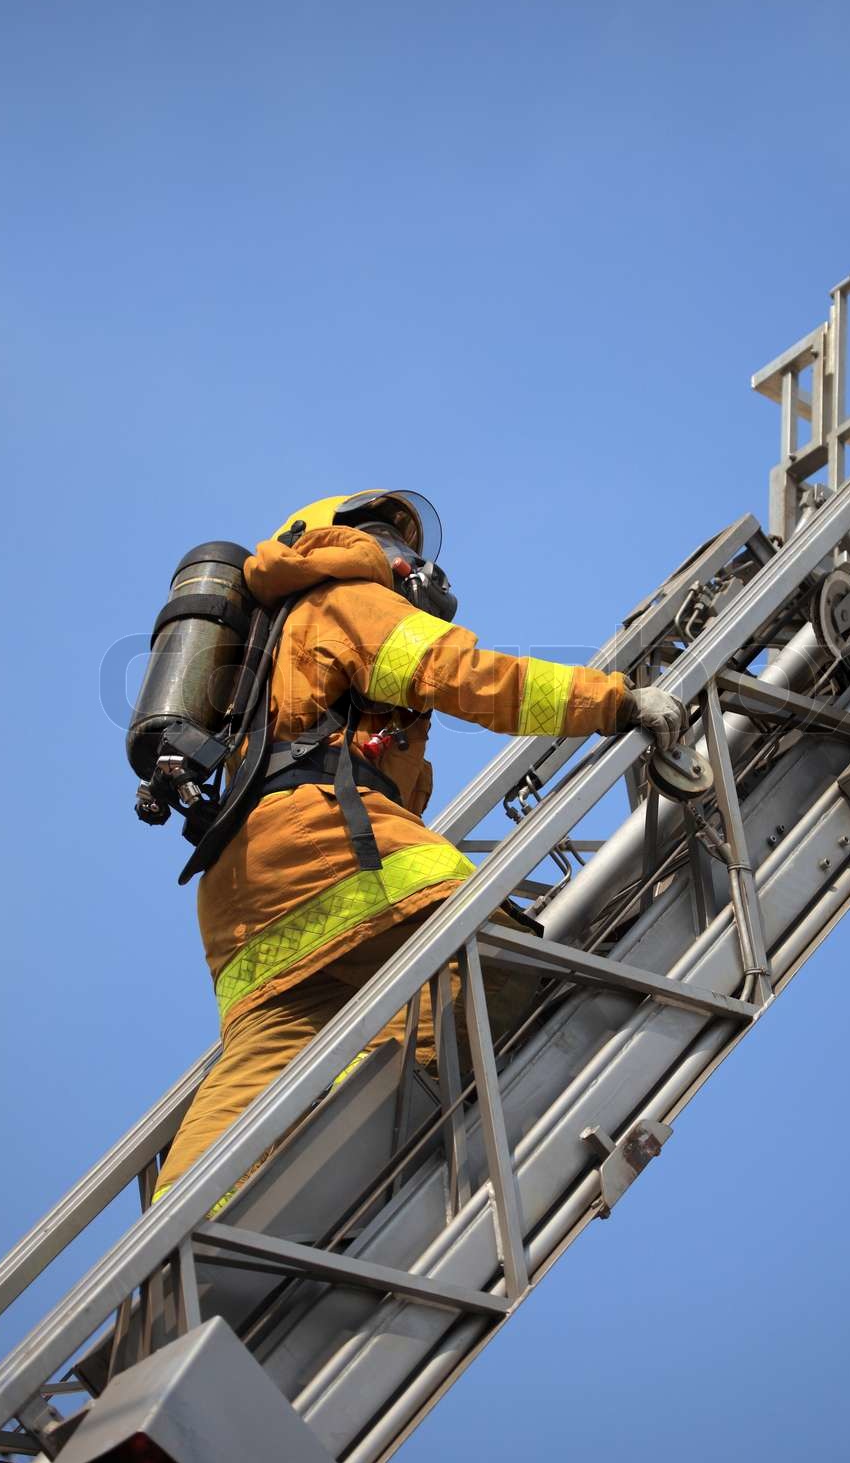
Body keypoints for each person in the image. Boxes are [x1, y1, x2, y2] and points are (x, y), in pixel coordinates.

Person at [152, 490, 685, 1202]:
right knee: (488, 974)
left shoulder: (275, 644)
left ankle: (175, 1257)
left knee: (250, 1096)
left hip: (240, 901)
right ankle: (379, 1167)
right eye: (385, 539)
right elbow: (470, 678)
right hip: (328, 852)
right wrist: (614, 701)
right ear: (334, 541)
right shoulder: (347, 596)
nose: (409, 562)